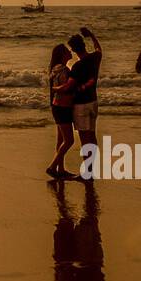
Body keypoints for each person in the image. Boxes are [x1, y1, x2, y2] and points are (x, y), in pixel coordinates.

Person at [68, 27, 103, 174]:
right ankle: (91, 169)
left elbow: (71, 86)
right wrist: (92, 35)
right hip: (93, 102)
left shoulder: (77, 66)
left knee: (84, 139)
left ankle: (87, 172)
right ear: (83, 45)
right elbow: (98, 48)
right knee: (92, 136)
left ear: (74, 50)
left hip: (81, 105)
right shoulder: (95, 58)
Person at [46, 44, 78, 178]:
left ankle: (61, 169)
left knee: (61, 140)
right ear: (62, 54)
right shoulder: (64, 70)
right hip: (63, 107)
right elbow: (66, 88)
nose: (70, 51)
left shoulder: (55, 68)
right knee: (69, 140)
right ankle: (53, 167)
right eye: (67, 50)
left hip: (56, 106)